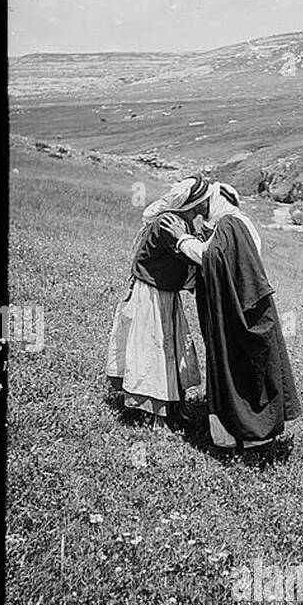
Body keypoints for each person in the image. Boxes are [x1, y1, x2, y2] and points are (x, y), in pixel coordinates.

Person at [175, 179, 301, 448]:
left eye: (206, 205)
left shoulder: (231, 226)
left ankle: (244, 434)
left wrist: (181, 239)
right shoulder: (238, 224)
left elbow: (215, 258)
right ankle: (253, 433)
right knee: (252, 372)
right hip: (248, 309)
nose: (203, 213)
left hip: (239, 313)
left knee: (237, 369)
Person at [105, 174, 211, 425]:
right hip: (151, 295)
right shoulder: (169, 223)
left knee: (167, 349)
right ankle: (154, 414)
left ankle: (170, 404)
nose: (208, 205)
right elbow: (190, 255)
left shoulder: (183, 222)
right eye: (206, 201)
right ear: (195, 203)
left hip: (164, 293)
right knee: (154, 350)